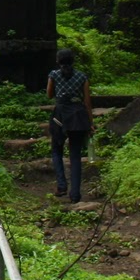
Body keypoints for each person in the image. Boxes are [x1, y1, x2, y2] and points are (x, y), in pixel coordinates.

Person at [46, 48, 92, 201]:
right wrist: (90, 122)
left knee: (56, 150)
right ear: (73, 61)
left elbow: (49, 94)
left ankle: (61, 185)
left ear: (58, 61)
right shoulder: (82, 77)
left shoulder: (54, 75)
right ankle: (75, 194)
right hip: (78, 116)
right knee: (75, 155)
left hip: (60, 115)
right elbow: (87, 102)